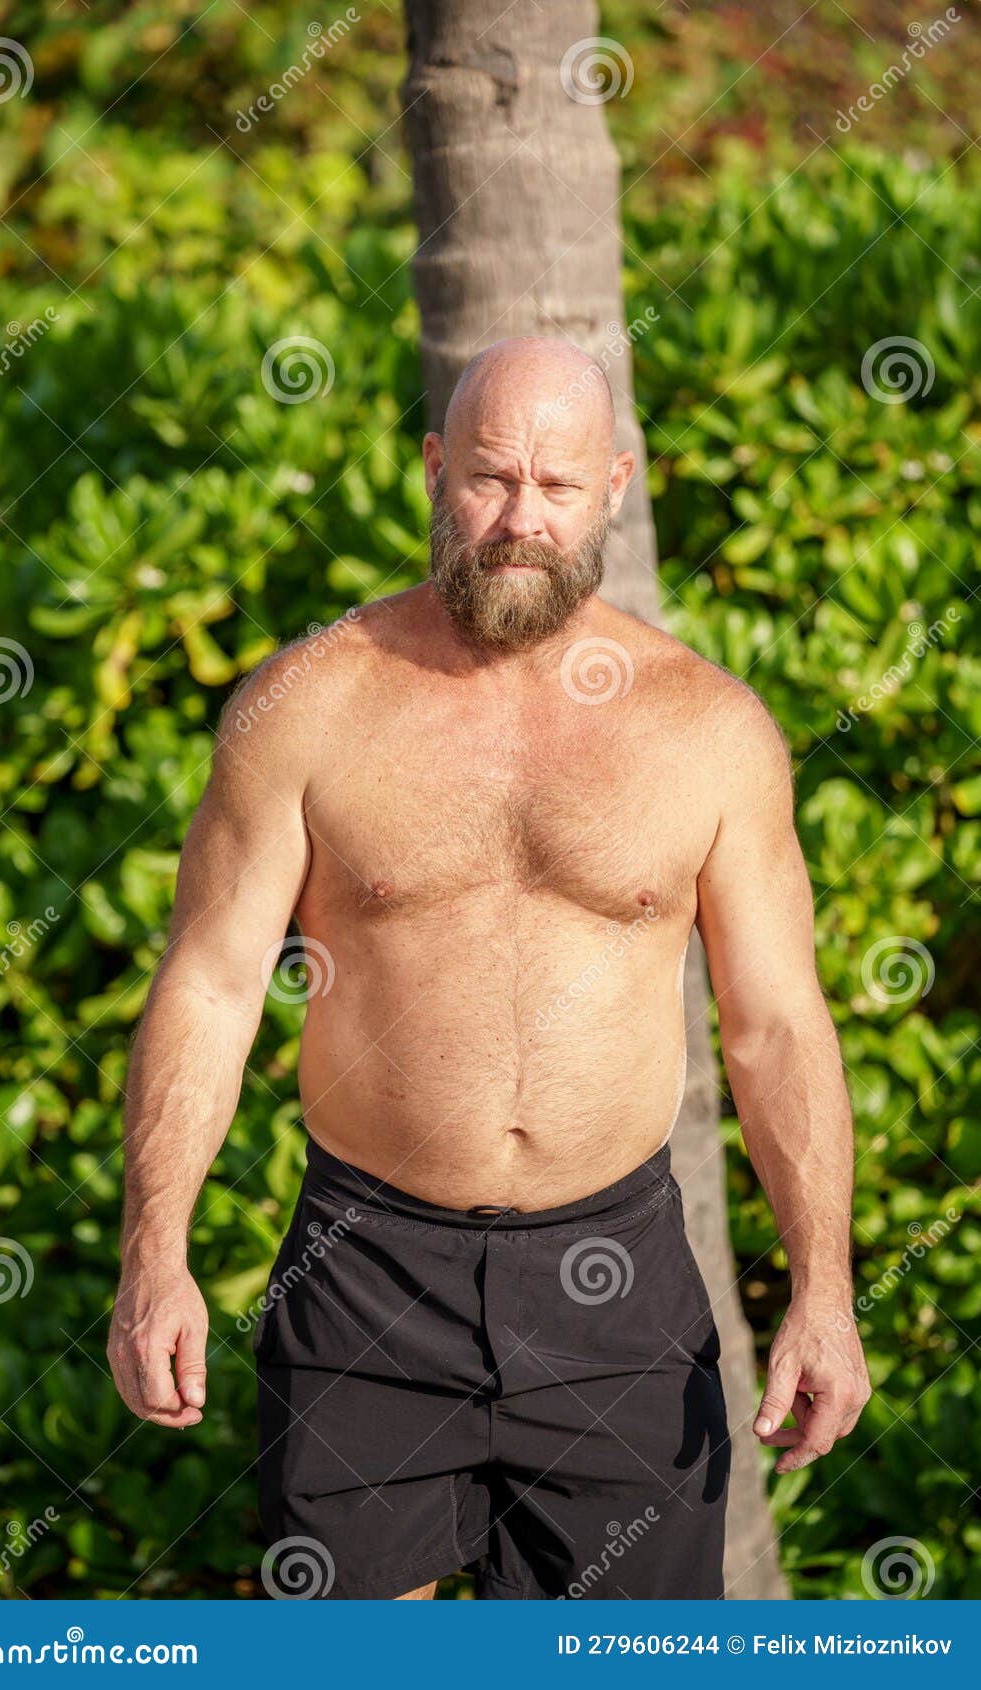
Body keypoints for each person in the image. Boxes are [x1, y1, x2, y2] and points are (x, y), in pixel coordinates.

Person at [107, 336, 870, 1600]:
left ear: (616, 484)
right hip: (362, 1277)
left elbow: (776, 1027)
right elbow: (210, 983)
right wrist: (155, 1257)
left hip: (615, 1284)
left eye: (557, 487)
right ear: (430, 467)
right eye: (487, 478)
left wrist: (822, 1293)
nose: (520, 520)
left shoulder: (709, 730)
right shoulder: (306, 704)